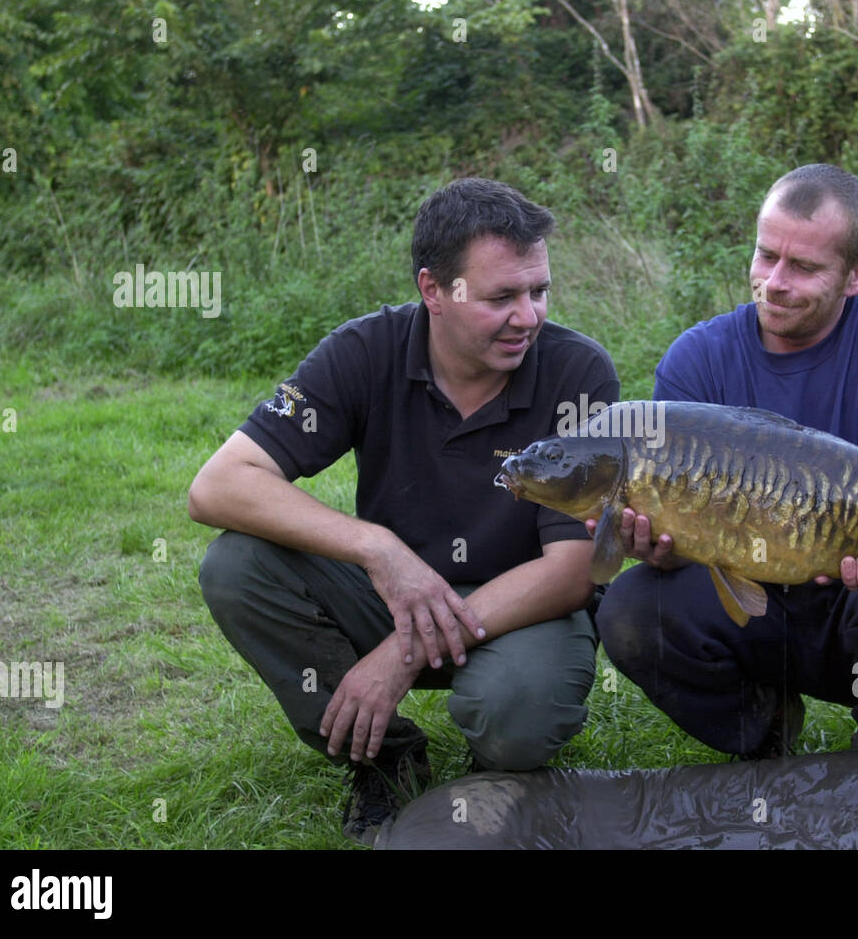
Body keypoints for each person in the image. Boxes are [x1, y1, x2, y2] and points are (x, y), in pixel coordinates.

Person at [189, 178, 619, 845]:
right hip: (392, 591)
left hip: (518, 608)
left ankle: (494, 766)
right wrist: (377, 550)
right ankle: (385, 756)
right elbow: (217, 487)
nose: (529, 316)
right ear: (433, 291)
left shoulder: (578, 372)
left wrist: (402, 653)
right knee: (235, 564)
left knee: (517, 718)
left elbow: (571, 570)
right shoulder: (363, 352)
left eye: (539, 291)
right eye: (502, 296)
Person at [592, 164, 858, 757]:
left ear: (856, 275)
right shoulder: (697, 359)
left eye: (804, 267)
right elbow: (668, 525)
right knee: (632, 610)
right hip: (749, 606)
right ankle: (764, 734)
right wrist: (653, 546)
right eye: (766, 256)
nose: (774, 282)